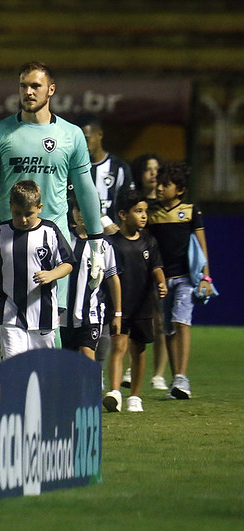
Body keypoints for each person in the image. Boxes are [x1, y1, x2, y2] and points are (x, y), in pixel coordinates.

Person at [0, 62, 104, 311]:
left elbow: (85, 189)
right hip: (9, 243)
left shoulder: (71, 134)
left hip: (55, 246)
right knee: (7, 326)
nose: (29, 91)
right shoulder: (0, 132)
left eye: (36, 86)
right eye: (23, 86)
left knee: (50, 326)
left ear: (51, 90)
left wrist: (96, 243)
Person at [0, 181, 75, 359]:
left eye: (29, 214)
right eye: (17, 213)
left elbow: (68, 263)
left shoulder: (49, 231)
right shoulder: (0, 233)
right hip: (10, 315)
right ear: (10, 206)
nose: (23, 219)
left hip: (43, 315)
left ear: (39, 208)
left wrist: (52, 274)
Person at [147, 162, 212, 400]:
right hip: (162, 280)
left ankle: (183, 377)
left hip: (184, 278)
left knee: (181, 320)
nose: (160, 188)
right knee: (167, 328)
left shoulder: (191, 211)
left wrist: (205, 277)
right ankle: (177, 382)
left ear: (180, 189)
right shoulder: (152, 214)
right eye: (159, 184)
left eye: (166, 185)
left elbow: (202, 247)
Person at [103, 189, 167, 413]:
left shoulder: (149, 241)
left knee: (139, 350)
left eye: (145, 211)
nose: (143, 216)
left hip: (143, 305)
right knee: (118, 346)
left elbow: (156, 267)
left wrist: (161, 282)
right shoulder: (112, 243)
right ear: (122, 214)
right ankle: (115, 392)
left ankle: (135, 396)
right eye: (137, 211)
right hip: (119, 306)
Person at [60, 197, 122, 361]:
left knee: (87, 354)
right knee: (66, 362)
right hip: (64, 316)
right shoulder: (64, 239)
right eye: (77, 209)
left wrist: (118, 313)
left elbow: (113, 278)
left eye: (85, 209)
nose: (81, 214)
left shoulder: (103, 245)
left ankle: (91, 384)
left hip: (91, 313)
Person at [129, 152, 169, 390]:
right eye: (148, 169)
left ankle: (159, 374)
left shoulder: (165, 205)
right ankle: (130, 368)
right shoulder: (133, 202)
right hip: (137, 268)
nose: (153, 173)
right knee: (129, 320)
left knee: (160, 320)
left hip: (158, 267)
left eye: (157, 169)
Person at [74, 113, 133, 234]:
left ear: (99, 134)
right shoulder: (74, 169)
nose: (82, 145)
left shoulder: (119, 168)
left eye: (86, 139)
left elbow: (130, 203)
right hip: (84, 237)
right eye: (78, 141)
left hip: (114, 238)